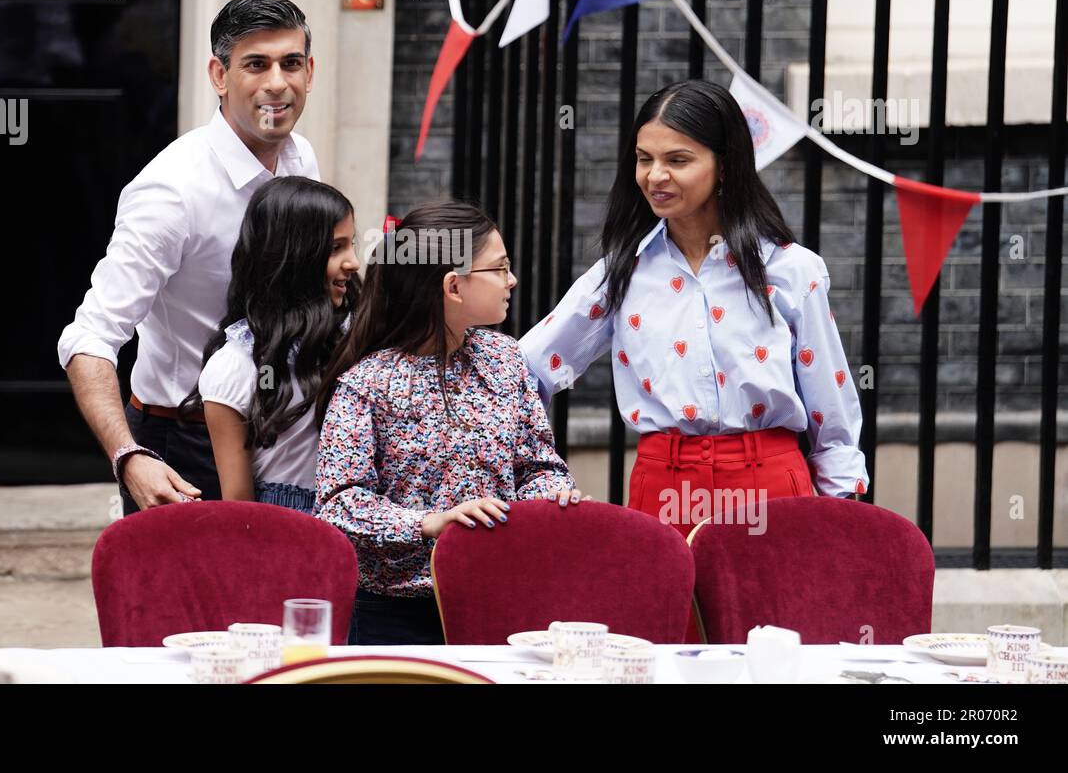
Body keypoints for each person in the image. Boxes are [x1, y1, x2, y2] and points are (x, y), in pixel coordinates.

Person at [521, 78, 870, 539]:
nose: (655, 176)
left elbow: (832, 405)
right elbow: (525, 369)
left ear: (724, 166)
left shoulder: (789, 269)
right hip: (662, 488)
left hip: (771, 490)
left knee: (770, 613)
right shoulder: (621, 272)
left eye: (677, 160)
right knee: (670, 613)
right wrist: (539, 476)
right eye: (645, 159)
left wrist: (842, 508)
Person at [58, 0, 318, 515]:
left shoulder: (300, 156)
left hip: (284, 435)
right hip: (185, 441)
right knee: (187, 598)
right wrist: (129, 456)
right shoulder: (170, 192)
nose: (277, 83)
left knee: (278, 595)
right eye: (255, 65)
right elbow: (88, 338)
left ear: (309, 71)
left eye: (290, 63)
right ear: (219, 76)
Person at [315, 202, 587, 646]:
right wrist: (429, 522)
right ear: (453, 286)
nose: (511, 280)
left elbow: (536, 466)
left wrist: (554, 497)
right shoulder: (367, 383)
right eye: (499, 268)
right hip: (395, 614)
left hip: (499, 599)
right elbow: (339, 506)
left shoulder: (506, 359)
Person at [182, 177, 360, 514]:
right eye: (337, 248)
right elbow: (240, 505)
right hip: (286, 532)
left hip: (364, 527)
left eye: (352, 244)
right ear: (295, 257)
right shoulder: (235, 366)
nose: (353, 262)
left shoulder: (356, 335)